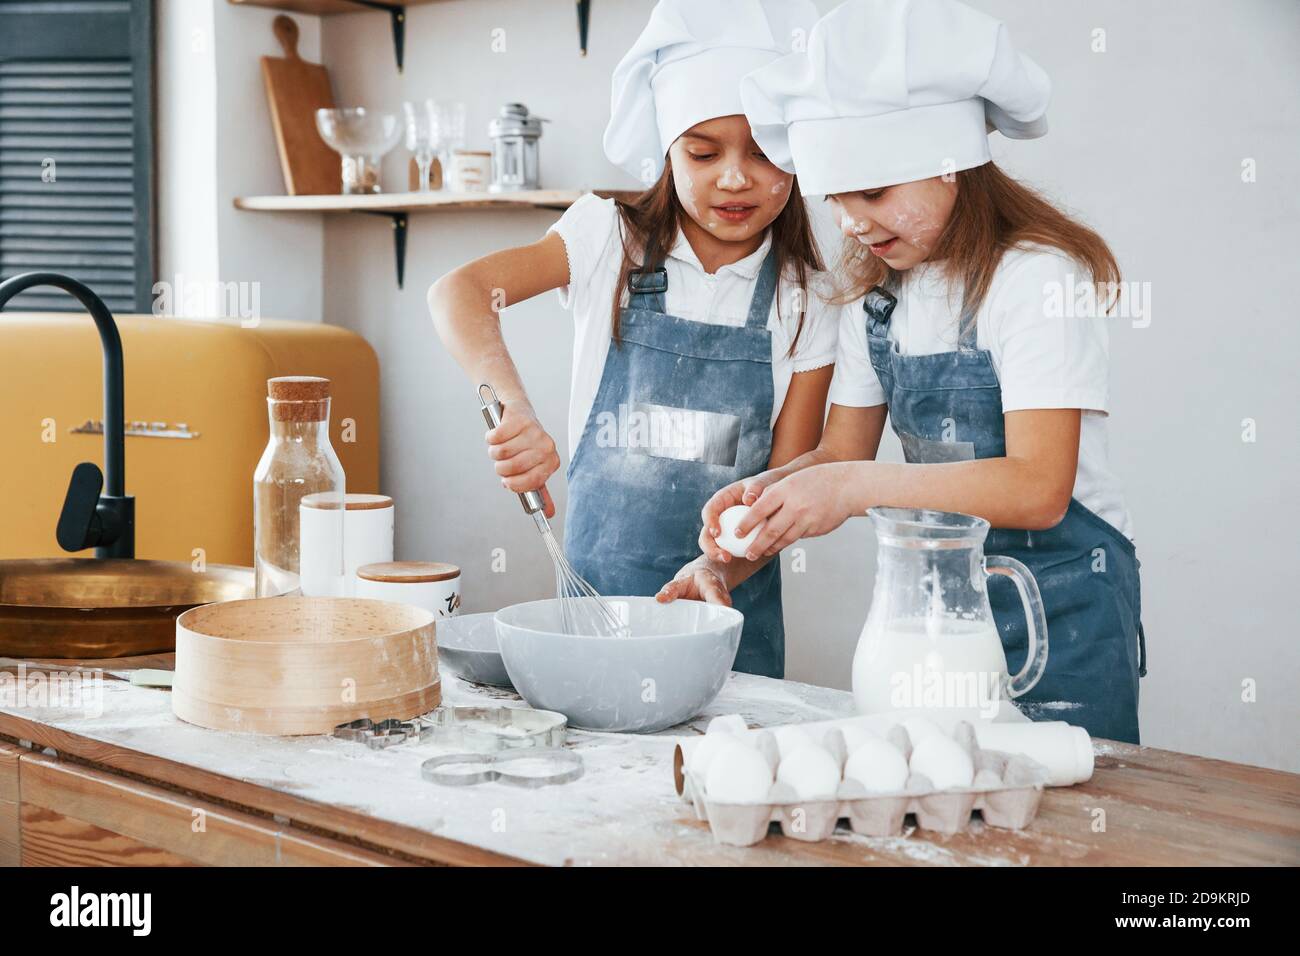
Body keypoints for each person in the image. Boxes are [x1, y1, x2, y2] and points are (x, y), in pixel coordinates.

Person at [676, 0, 1146, 741]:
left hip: (1066, 615)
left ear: (951, 166)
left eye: (873, 193)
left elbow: (1039, 487)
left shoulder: (1034, 279)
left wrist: (852, 489)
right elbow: (840, 456)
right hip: (941, 617)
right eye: (836, 200)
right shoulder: (876, 299)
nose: (854, 223)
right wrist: (751, 524)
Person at [429, 0, 839, 677]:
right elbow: (458, 293)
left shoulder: (810, 297)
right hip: (593, 621)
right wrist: (515, 409)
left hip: (730, 629)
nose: (734, 177)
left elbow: (787, 487)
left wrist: (716, 568)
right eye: (703, 153)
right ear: (667, 149)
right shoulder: (607, 239)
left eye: (766, 154)